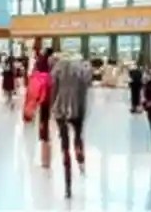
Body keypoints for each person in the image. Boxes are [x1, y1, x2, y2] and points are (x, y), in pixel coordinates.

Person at [50, 56, 92, 199]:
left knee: (64, 145)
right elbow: (84, 94)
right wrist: (83, 112)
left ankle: (68, 184)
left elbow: (53, 92)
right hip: (77, 109)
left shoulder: (57, 71)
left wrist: (52, 108)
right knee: (78, 137)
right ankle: (80, 155)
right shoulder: (81, 72)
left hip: (60, 109)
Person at [24, 53, 53, 168]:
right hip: (45, 106)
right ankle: (45, 159)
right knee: (45, 133)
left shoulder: (34, 77)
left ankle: (34, 157)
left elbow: (30, 94)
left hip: (34, 106)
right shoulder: (49, 78)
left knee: (32, 133)